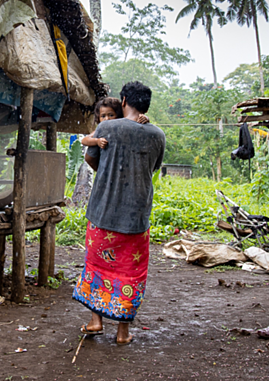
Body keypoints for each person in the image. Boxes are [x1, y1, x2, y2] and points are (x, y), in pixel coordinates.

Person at [72, 81, 165, 345]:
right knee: (130, 271)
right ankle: (123, 333)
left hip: (103, 211)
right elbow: (153, 167)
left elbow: (91, 158)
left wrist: (107, 173)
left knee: (98, 265)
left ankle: (96, 321)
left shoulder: (106, 128)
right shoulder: (158, 134)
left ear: (123, 101)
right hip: (136, 216)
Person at [80, 97, 149, 150]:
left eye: (111, 115)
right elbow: (84, 140)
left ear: (118, 115)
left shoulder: (124, 127)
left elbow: (135, 122)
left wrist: (145, 118)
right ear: (98, 118)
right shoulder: (101, 130)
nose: (107, 119)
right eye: (103, 116)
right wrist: (97, 141)